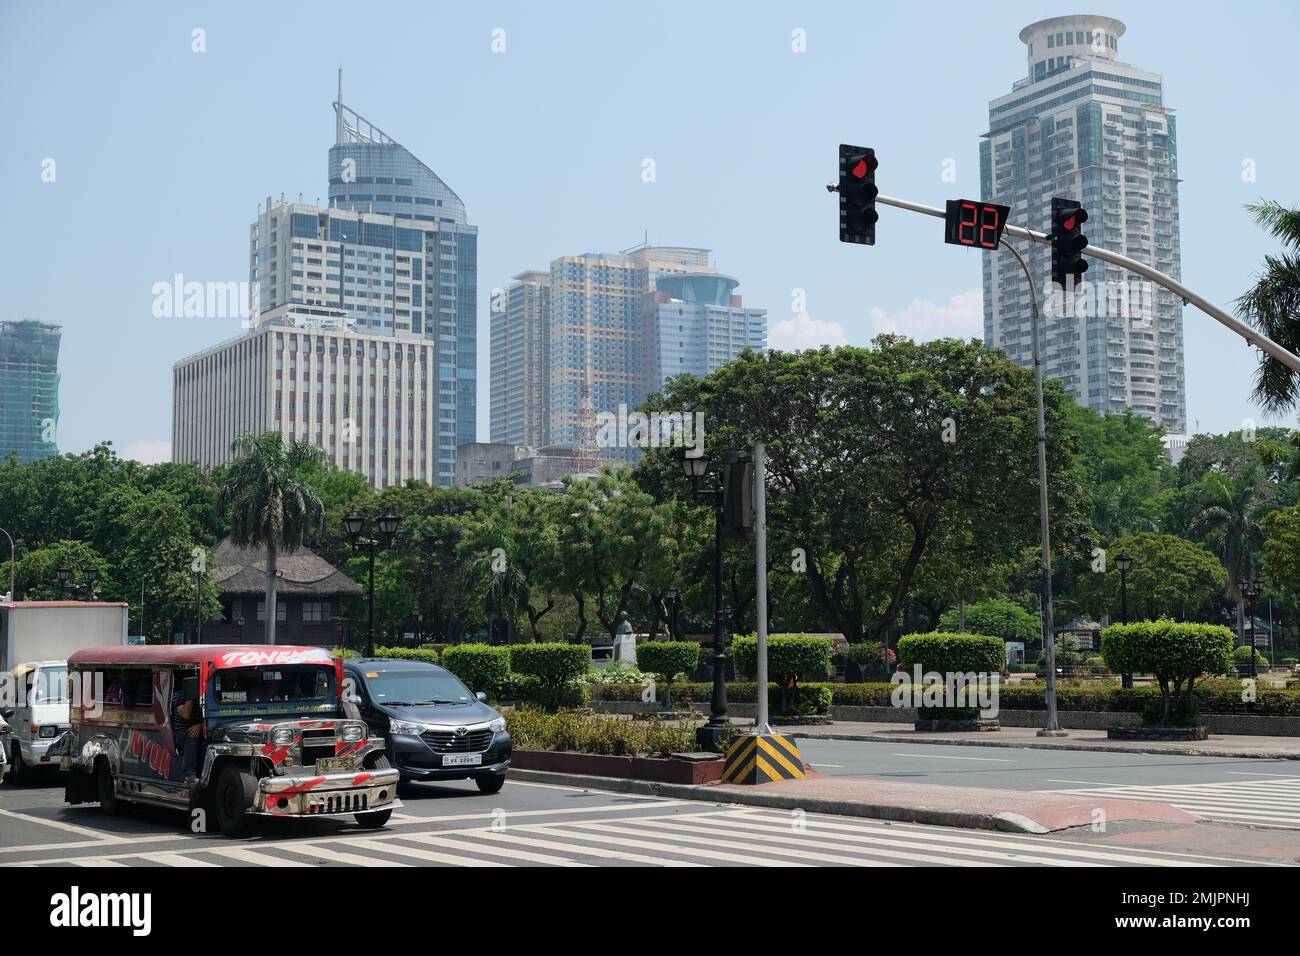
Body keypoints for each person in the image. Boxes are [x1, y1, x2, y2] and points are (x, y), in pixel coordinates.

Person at [170, 675, 202, 787]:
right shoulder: (177, 695)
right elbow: (185, 714)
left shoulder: (204, 695)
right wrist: (190, 696)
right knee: (191, 735)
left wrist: (200, 725)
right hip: (182, 732)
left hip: (201, 728)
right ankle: (190, 774)